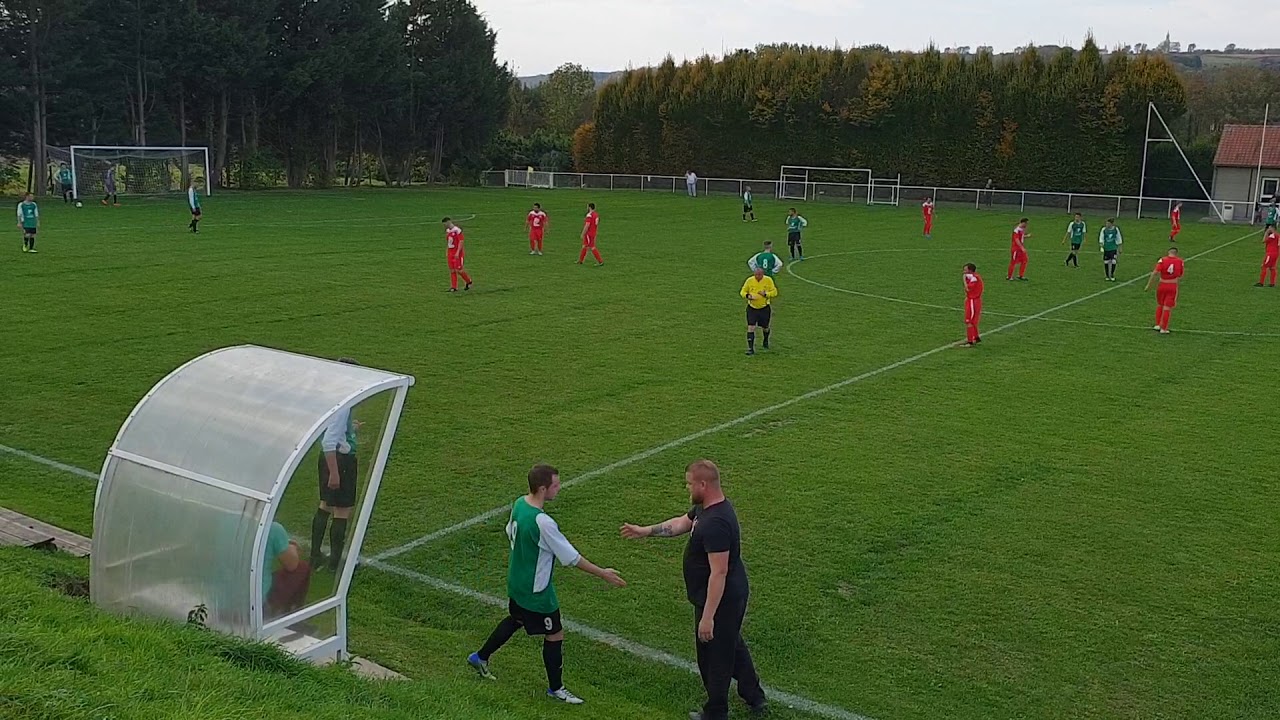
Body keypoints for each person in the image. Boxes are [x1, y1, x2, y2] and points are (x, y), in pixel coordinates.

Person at [620, 460, 767, 720]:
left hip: (722, 599)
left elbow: (718, 572)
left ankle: (716, 712)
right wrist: (646, 531)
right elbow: (681, 523)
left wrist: (708, 616)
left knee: (714, 657)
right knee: (731, 643)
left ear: (703, 484)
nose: (687, 488)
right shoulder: (705, 508)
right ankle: (753, 694)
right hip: (720, 595)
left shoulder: (717, 523)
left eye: (689, 483)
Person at [467, 464, 625, 705]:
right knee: (554, 633)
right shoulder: (544, 522)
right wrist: (603, 573)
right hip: (537, 592)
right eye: (555, 485)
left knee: (516, 619)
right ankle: (556, 688)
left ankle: (480, 657)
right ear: (543, 489)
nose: (559, 489)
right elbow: (572, 558)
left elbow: (510, 531)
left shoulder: (520, 503)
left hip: (516, 581)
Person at [310, 357, 362, 572]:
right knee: (342, 510)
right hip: (339, 460)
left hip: (330, 458)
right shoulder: (343, 405)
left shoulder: (329, 397)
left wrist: (350, 430)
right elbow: (329, 441)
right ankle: (334, 564)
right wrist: (334, 473)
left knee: (326, 504)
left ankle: (315, 556)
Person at [264, 521, 312, 619]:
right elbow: (292, 564)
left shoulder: (224, 519)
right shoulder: (272, 528)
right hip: (254, 603)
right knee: (302, 568)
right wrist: (290, 546)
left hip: (225, 600)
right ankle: (290, 617)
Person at [1144, 247, 1184, 335]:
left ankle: (1158, 324)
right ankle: (1164, 328)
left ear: (1168, 252)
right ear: (1176, 253)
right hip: (1172, 285)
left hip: (1162, 284)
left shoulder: (1162, 260)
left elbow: (1155, 272)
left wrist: (1149, 285)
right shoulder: (1180, 261)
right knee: (1167, 307)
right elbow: (1180, 275)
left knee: (1160, 304)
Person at [739, 267, 777, 356]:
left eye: (759, 275)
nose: (757, 277)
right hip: (752, 308)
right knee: (751, 327)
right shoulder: (749, 280)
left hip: (764, 308)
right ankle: (750, 349)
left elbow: (774, 292)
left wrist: (766, 294)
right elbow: (742, 291)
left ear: (762, 274)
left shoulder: (768, 280)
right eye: (756, 275)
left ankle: (765, 340)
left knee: (765, 327)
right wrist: (747, 295)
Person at [443, 217, 473, 291]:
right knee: (452, 270)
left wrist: (458, 252)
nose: (445, 226)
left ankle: (468, 281)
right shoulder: (448, 231)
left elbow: (461, 241)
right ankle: (454, 287)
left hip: (457, 253)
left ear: (449, 222)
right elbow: (449, 242)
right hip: (450, 253)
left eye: (445, 224)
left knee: (459, 270)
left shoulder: (457, 230)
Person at [962, 263, 983, 347]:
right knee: (973, 321)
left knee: (969, 321)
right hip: (973, 300)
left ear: (970, 270)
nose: (964, 272)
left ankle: (970, 342)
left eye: (965, 270)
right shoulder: (975, 276)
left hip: (973, 301)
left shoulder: (974, 278)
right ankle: (976, 337)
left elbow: (967, 288)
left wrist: (963, 280)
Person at [1257, 223, 1278, 287]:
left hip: (1270, 254)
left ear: (1273, 228)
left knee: (1264, 266)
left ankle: (1261, 283)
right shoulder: (1278, 235)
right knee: (1272, 268)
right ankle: (1272, 283)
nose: (1269, 229)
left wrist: (1266, 232)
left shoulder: (1272, 235)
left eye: (1270, 228)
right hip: (1276, 253)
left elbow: (1263, 241)